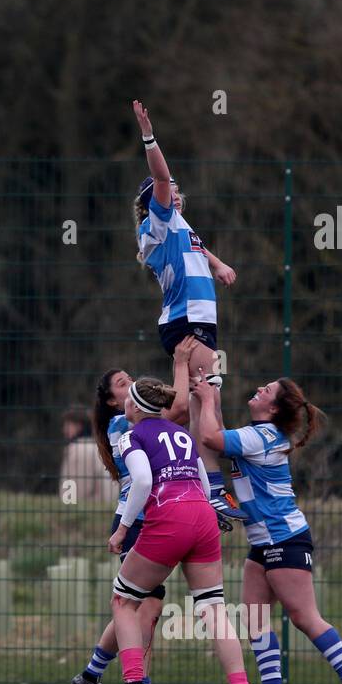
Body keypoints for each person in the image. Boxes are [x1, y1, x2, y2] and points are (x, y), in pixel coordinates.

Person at [194, 375, 342, 684]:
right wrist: (210, 395)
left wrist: (205, 400)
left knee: (304, 616)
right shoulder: (257, 434)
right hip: (265, 541)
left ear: (273, 408)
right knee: (256, 616)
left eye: (267, 390)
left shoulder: (260, 436)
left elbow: (208, 436)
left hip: (285, 538)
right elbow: (216, 434)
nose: (259, 388)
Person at [103, 378, 259, 684]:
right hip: (202, 515)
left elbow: (143, 481)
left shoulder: (131, 436)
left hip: (169, 517)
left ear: (132, 406)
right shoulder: (182, 434)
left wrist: (122, 530)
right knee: (214, 608)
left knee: (123, 601)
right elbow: (203, 480)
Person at [130, 99, 247, 527]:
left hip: (193, 319)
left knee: (203, 404)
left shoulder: (180, 225)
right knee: (205, 402)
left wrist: (217, 265)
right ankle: (213, 490)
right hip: (187, 321)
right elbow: (160, 175)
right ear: (155, 200)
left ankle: (208, 487)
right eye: (169, 188)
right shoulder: (158, 222)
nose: (175, 189)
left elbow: (198, 246)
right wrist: (148, 134)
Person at [70, 341, 195, 684]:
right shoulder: (123, 422)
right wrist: (182, 365)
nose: (132, 384)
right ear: (115, 402)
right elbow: (182, 407)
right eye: (124, 384)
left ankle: (94, 675)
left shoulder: (141, 421)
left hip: (157, 517)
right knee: (142, 608)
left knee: (140, 607)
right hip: (137, 519)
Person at [59, 404, 110, 502]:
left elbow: (73, 486)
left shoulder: (77, 448)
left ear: (79, 426)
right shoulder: (99, 447)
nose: (64, 430)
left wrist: (67, 503)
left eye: (68, 424)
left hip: (87, 506)